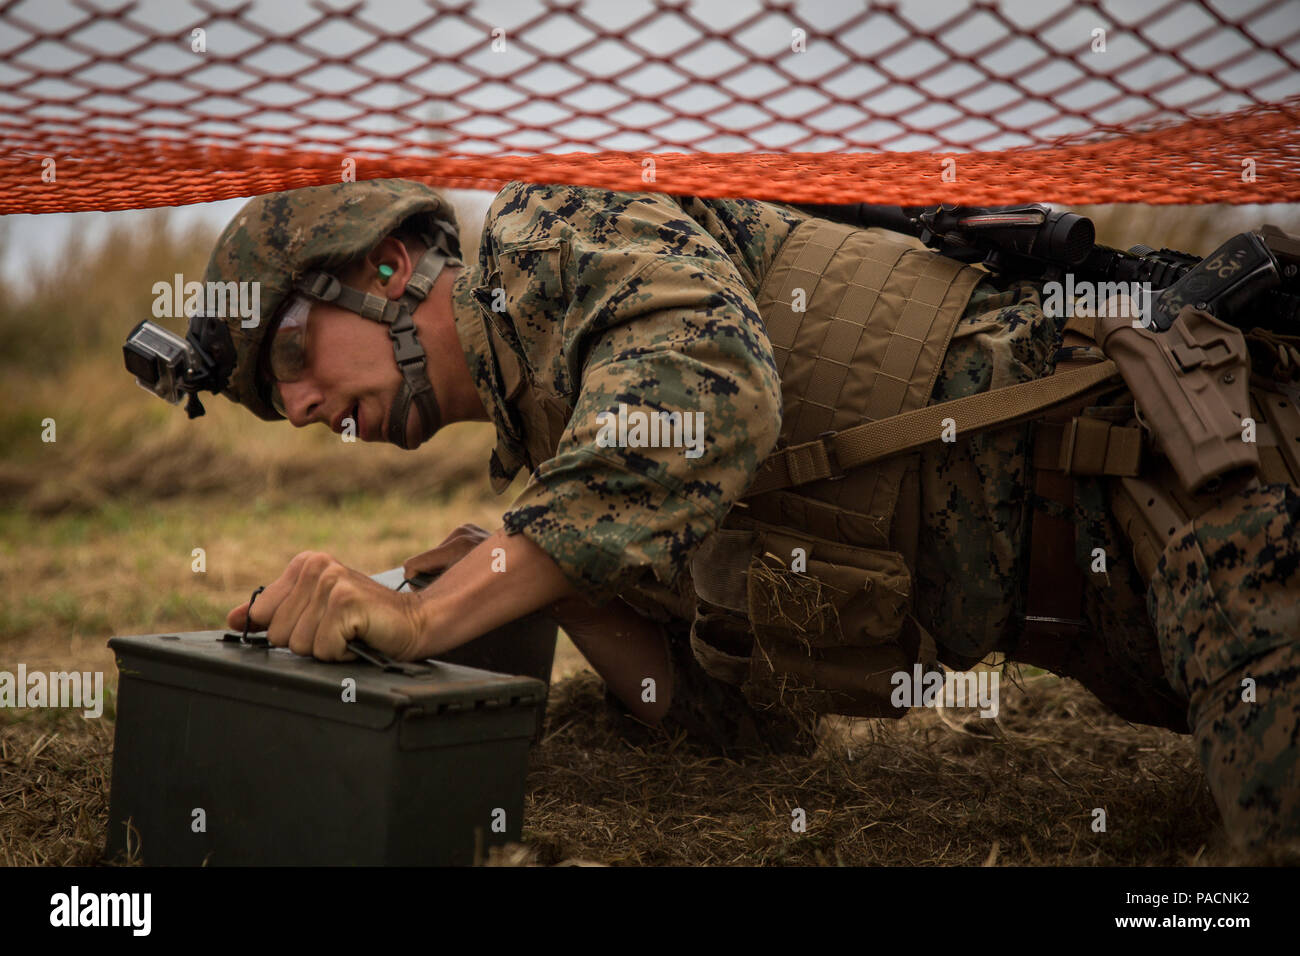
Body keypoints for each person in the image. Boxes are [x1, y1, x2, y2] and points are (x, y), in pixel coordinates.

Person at [185, 178, 1297, 850]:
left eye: (288, 352)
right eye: (269, 405)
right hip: (1139, 635)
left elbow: (708, 384)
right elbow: (738, 733)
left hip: (1208, 487)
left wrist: (436, 615)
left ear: (386, 264)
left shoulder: (552, 230)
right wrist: (544, 581)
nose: (299, 406)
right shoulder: (573, 480)